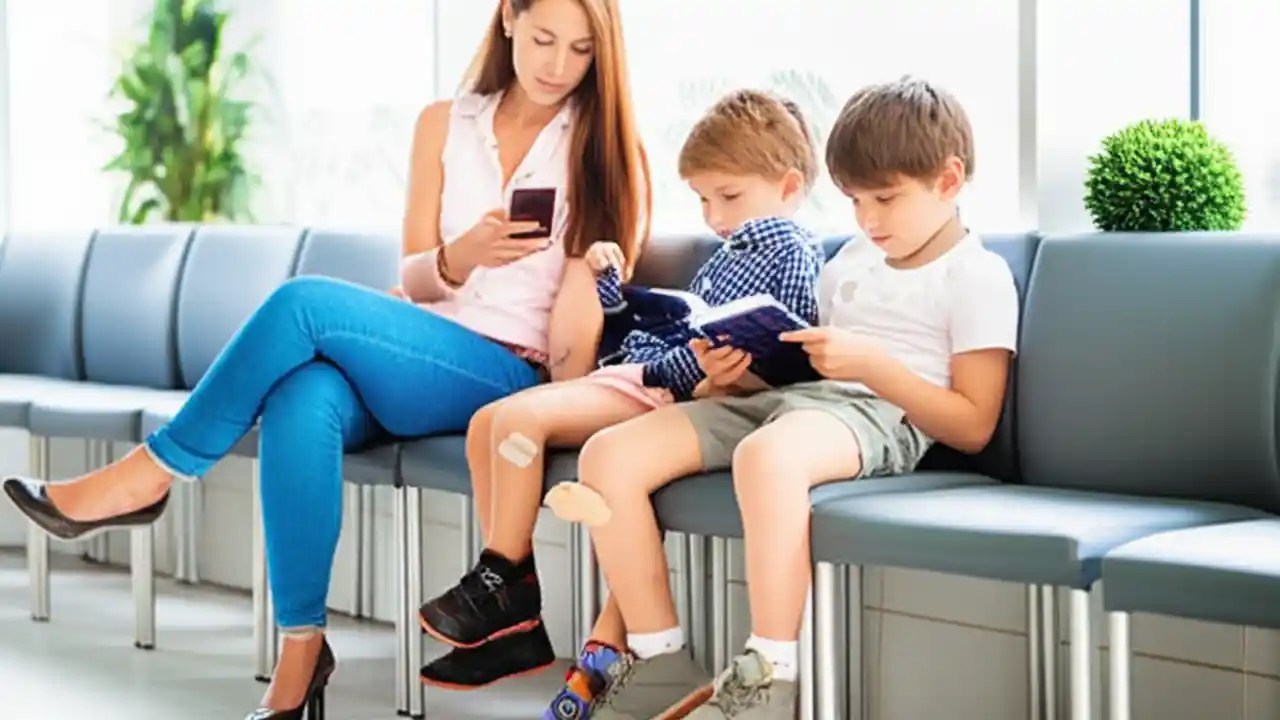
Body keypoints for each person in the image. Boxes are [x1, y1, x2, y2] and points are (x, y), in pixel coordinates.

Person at [2, 0, 648, 718]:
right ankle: (301, 650)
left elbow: (600, 294)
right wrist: (459, 257)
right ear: (507, 19)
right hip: (421, 346)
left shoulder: (602, 141)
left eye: (582, 50)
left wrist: (573, 351)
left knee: (304, 302)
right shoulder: (445, 121)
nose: (559, 65)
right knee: (301, 398)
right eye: (544, 38)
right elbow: (415, 271)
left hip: (506, 374)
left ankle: (149, 475)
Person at [564, 76, 1020, 719]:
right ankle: (659, 654)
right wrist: (737, 373)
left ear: (947, 181)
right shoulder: (851, 261)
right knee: (609, 455)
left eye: (884, 199)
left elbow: (972, 425)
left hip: (885, 416)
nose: (866, 220)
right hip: (803, 403)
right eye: (855, 201)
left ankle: (769, 676)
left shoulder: (977, 275)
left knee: (768, 457)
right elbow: (797, 382)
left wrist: (874, 366)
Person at [415, 89, 824, 720]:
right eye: (704, 200)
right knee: (488, 425)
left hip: (661, 387)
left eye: (729, 198)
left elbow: (769, 345)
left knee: (518, 419)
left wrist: (685, 362)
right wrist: (613, 287)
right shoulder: (735, 251)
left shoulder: (785, 248)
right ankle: (505, 591)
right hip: (647, 375)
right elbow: (680, 321)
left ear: (789, 185)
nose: (715, 216)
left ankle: (512, 597)